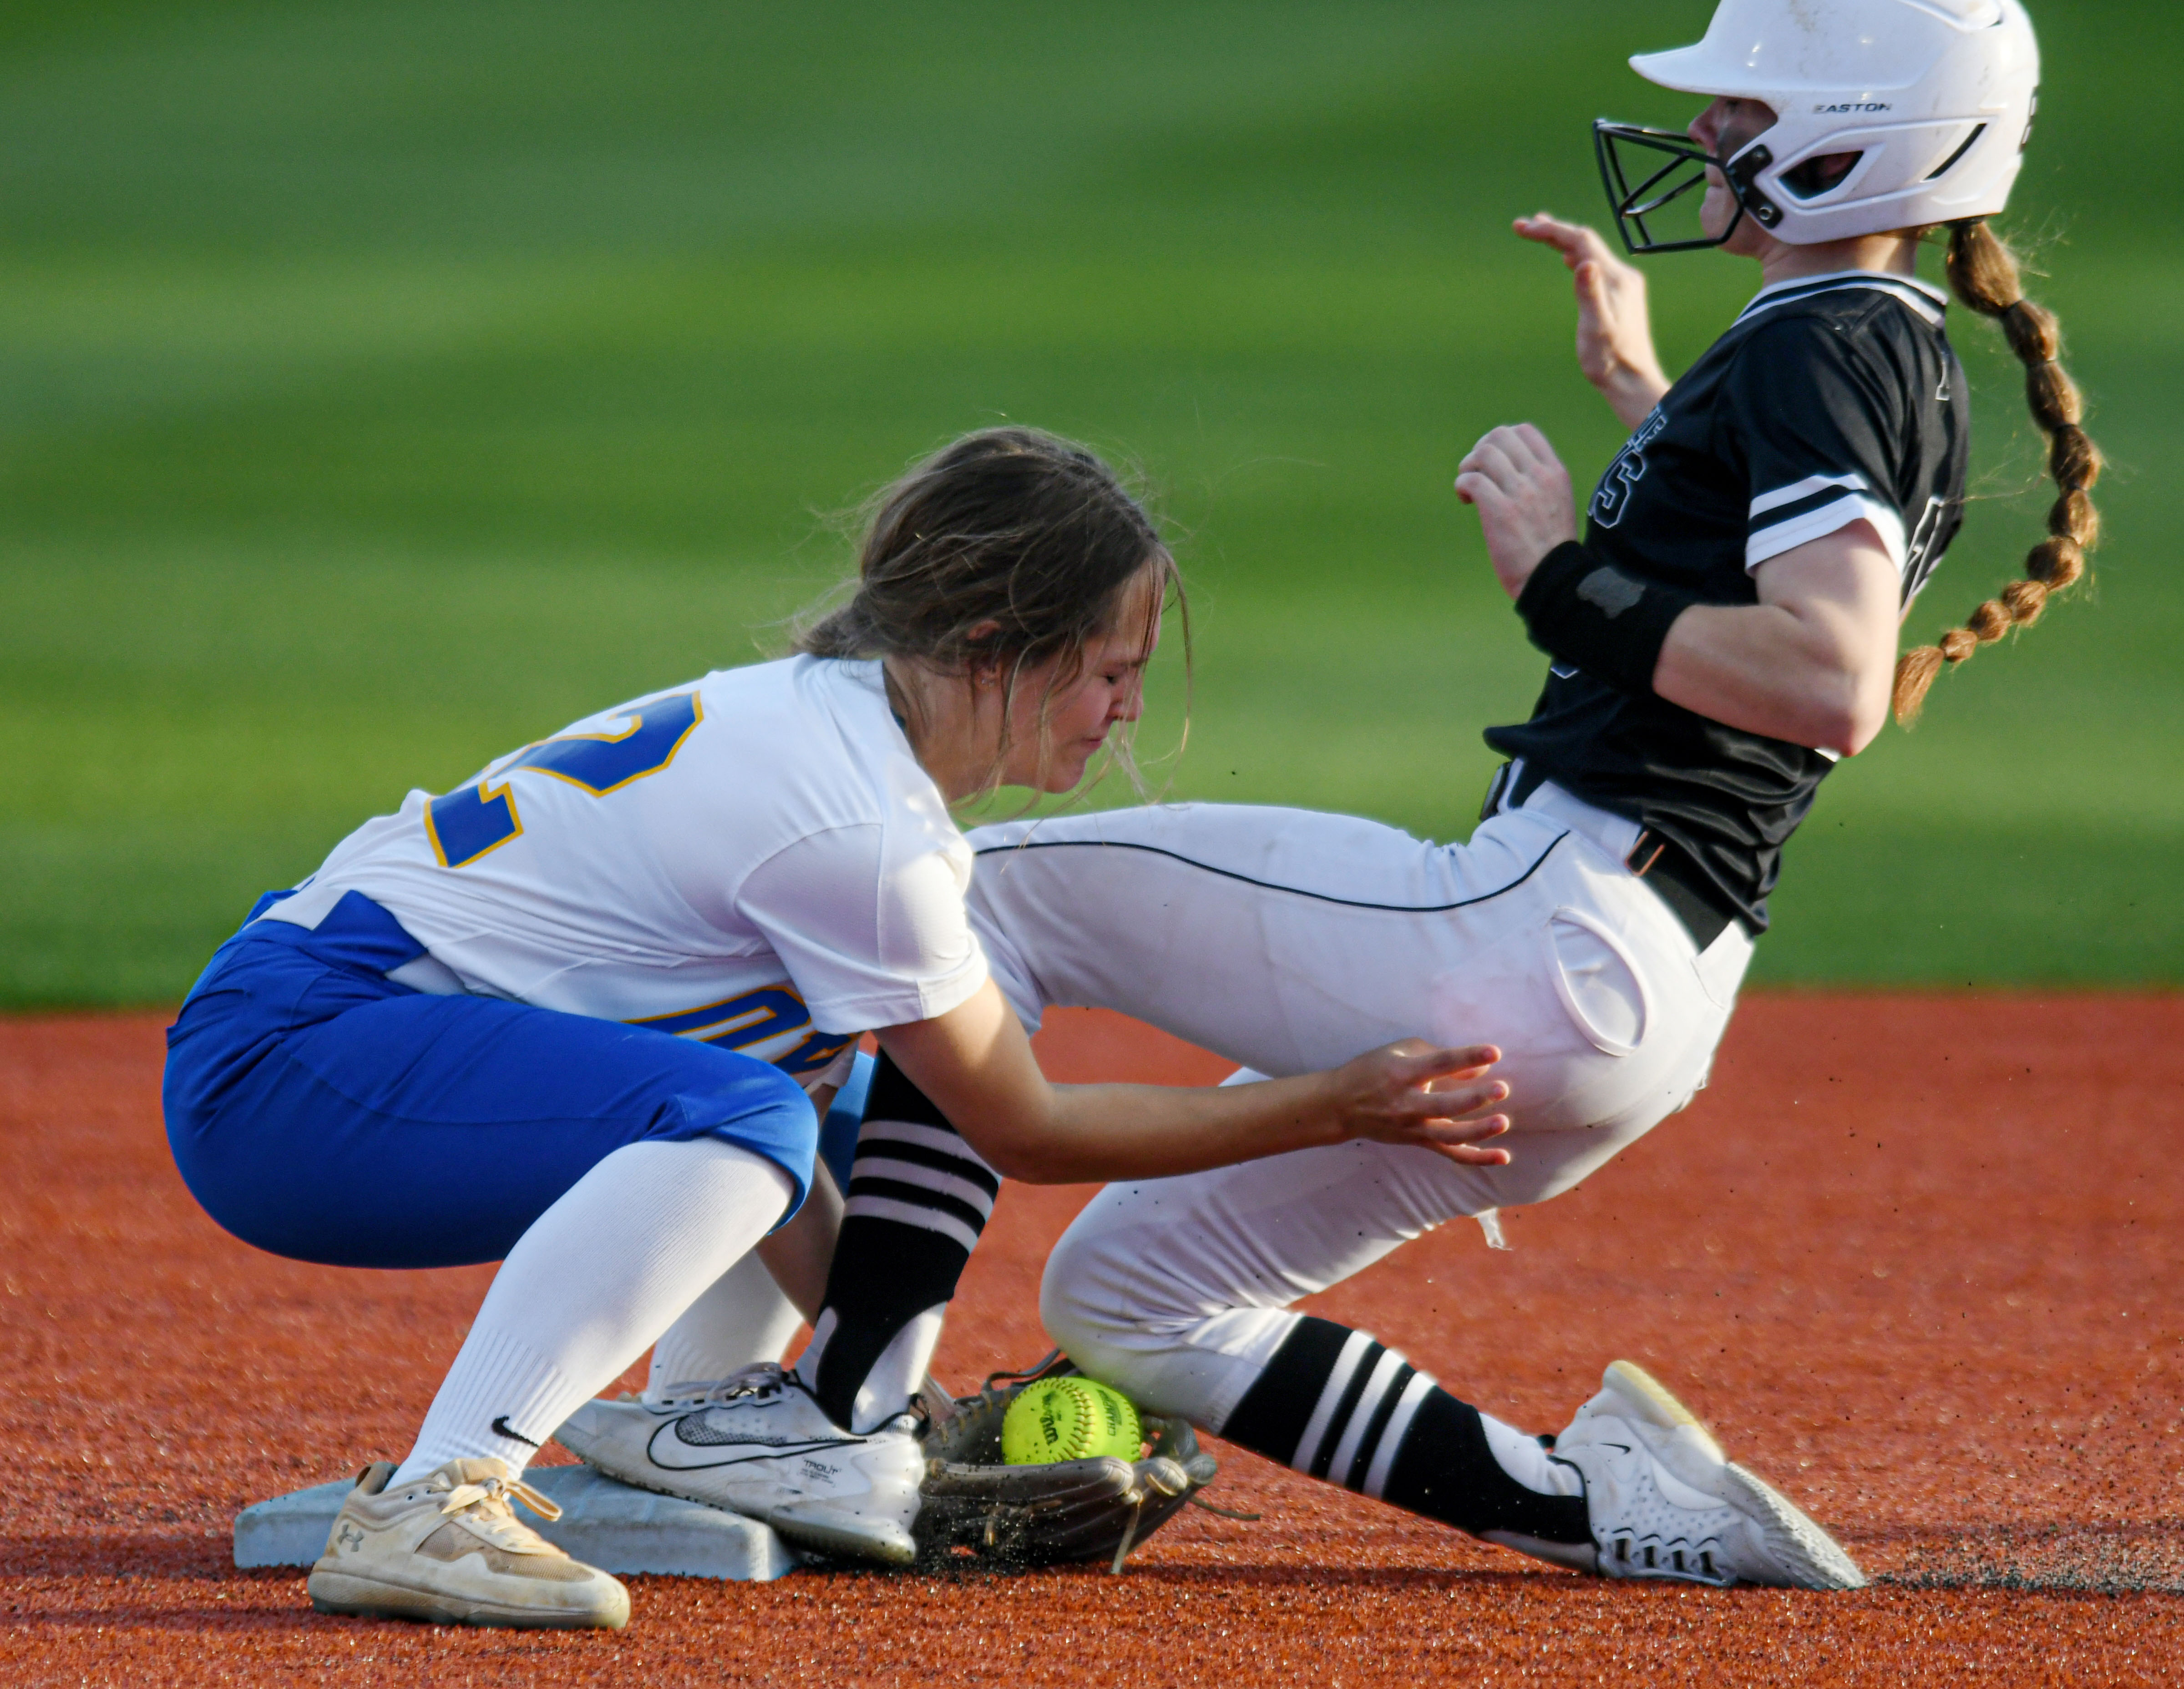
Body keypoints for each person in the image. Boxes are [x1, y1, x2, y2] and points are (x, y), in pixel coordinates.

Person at [615, 0, 2092, 1589]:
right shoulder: (1877, 342)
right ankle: (1596, 1504)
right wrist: (1654, 406)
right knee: (1129, 1299)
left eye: (1744, 105)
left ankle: (837, 1417)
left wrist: (1561, 581)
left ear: (1863, 136)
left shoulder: (1828, 341)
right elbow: (1763, 572)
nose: (1710, 133)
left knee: (980, 901)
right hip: (1636, 997)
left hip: (1550, 924)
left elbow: (1829, 680)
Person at [162, 428, 1511, 1629]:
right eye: (1109, 670)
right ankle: (443, 1495)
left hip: (343, 1040)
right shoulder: (859, 827)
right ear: (996, 652)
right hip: (290, 1066)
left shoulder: (838, 744)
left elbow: (853, 1171)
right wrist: (1339, 1103)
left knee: (812, 1109)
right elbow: (1025, 1130)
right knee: (748, 1116)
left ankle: (712, 1429)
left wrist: (872, 1416)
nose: (1130, 710)